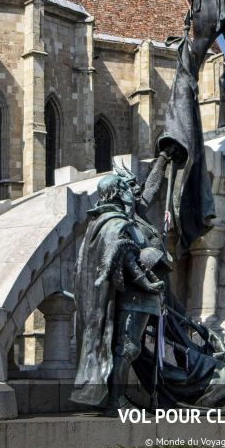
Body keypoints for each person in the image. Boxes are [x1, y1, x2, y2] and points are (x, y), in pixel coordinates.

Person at [71, 165, 171, 413]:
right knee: (127, 348)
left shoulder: (107, 220)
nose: (131, 191)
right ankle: (116, 400)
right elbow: (123, 253)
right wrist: (146, 276)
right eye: (126, 187)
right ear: (117, 191)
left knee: (128, 348)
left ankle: (118, 397)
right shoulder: (114, 222)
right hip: (134, 295)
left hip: (137, 295)